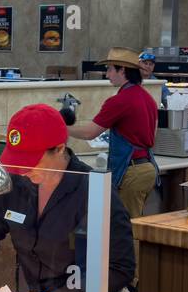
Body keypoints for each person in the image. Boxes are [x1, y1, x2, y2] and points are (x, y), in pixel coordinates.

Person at [0, 104, 135, 292]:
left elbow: (120, 268)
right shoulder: (17, 183)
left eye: (31, 160)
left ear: (59, 148)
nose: (24, 170)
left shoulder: (93, 189)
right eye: (19, 161)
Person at [66, 48, 159, 220]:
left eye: (109, 69)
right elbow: (151, 134)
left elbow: (89, 133)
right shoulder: (148, 98)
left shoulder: (119, 101)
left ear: (122, 70)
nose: (107, 74)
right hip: (147, 168)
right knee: (133, 223)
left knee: (125, 228)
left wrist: (61, 128)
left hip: (131, 171)